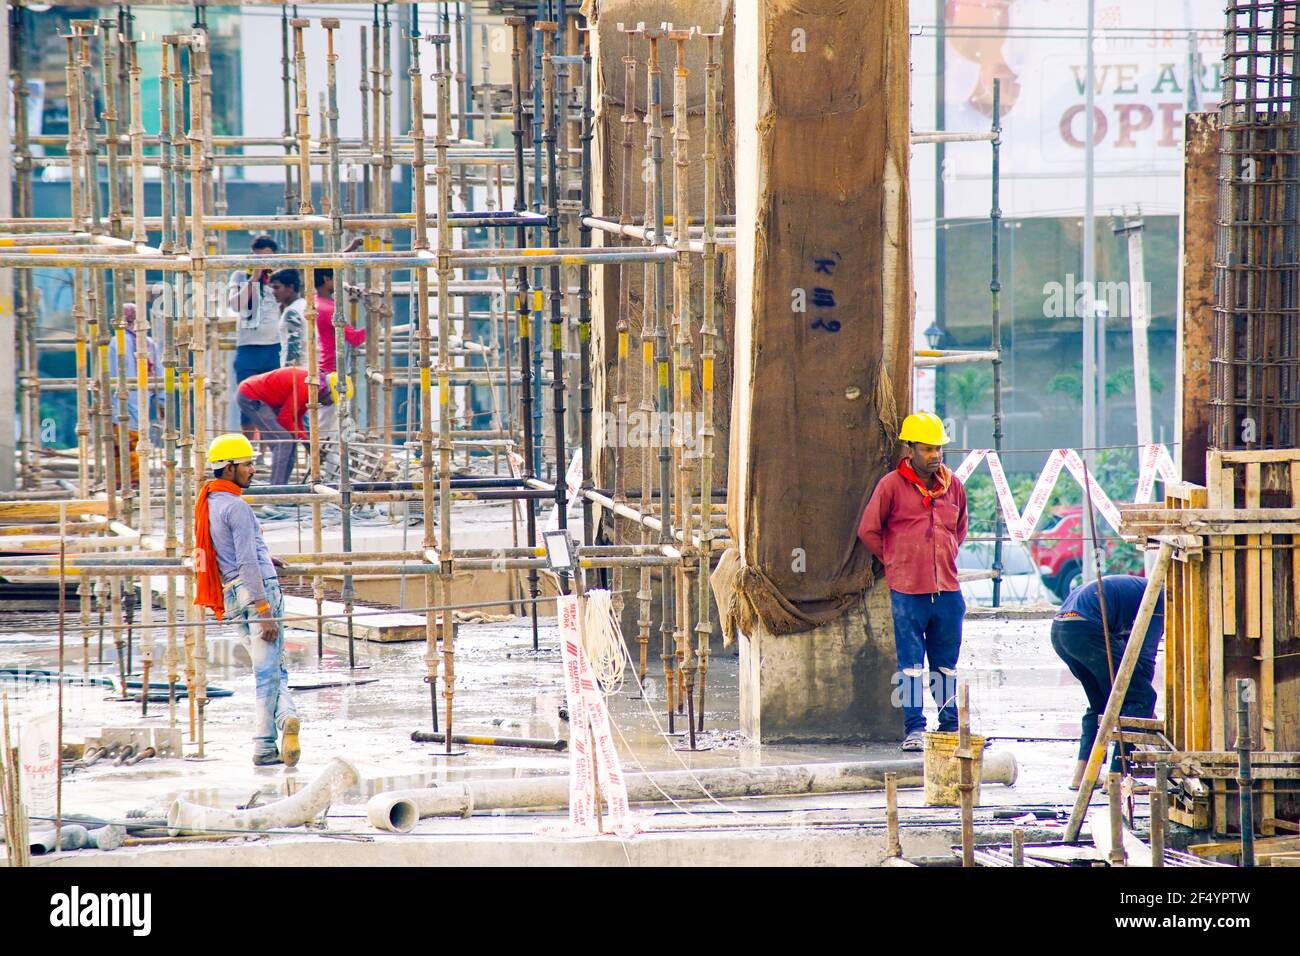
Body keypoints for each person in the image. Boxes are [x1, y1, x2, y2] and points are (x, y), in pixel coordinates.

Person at [857, 412, 969, 751]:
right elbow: (868, 530)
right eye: (927, 449)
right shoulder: (891, 485)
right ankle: (914, 729)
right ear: (910, 450)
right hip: (908, 593)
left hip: (948, 592)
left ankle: (949, 726)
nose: (934, 456)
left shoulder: (954, 487)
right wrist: (894, 561)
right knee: (910, 666)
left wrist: (942, 556)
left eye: (938, 449)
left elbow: (960, 528)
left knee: (946, 666)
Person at [194, 433, 300, 767]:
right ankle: (266, 742)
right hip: (256, 593)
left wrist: (267, 558)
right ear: (228, 468)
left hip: (232, 593)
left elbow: (232, 553)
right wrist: (265, 609)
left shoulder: (209, 503)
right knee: (270, 672)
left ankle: (283, 722)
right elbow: (246, 561)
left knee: (269, 667)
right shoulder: (237, 507)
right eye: (247, 464)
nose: (253, 470)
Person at [1051, 574, 1165, 789]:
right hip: (1087, 630)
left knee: (1101, 704)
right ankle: (1117, 778)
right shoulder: (1161, 598)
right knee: (1141, 697)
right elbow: (1145, 656)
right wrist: (1141, 706)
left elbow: (1122, 649)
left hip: (1061, 630)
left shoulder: (1134, 592)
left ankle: (1083, 776)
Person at [236, 367, 343, 487]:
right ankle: (277, 491)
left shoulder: (312, 388)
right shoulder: (307, 387)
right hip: (251, 395)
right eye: (330, 400)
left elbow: (296, 419)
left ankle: (283, 486)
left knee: (290, 440)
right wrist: (307, 443)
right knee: (283, 441)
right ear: (327, 392)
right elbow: (285, 418)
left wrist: (308, 443)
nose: (327, 404)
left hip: (266, 399)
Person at [228, 236, 285, 443]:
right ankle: (250, 447)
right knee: (247, 398)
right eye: (258, 257)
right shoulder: (240, 275)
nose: (262, 262)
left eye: (267, 258)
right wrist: (253, 279)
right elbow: (235, 305)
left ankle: (269, 446)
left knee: (273, 400)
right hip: (248, 347)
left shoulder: (281, 278)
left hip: (274, 346)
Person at [107, 303, 160, 486]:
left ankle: (127, 481)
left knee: (123, 442)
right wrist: (161, 400)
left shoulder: (116, 342)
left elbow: (112, 374)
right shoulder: (148, 342)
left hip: (120, 400)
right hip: (142, 399)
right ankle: (135, 480)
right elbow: (159, 375)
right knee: (135, 441)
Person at [313, 268, 366, 376]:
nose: (339, 282)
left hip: (326, 368)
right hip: (333, 372)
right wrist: (376, 319)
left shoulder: (318, 302)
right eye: (337, 278)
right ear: (326, 279)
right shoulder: (329, 310)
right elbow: (356, 339)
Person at [269, 269, 307, 369]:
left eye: (277, 287)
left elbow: (294, 349)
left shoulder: (292, 311)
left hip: (297, 372)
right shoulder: (303, 306)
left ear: (290, 287)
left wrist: (288, 374)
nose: (273, 292)